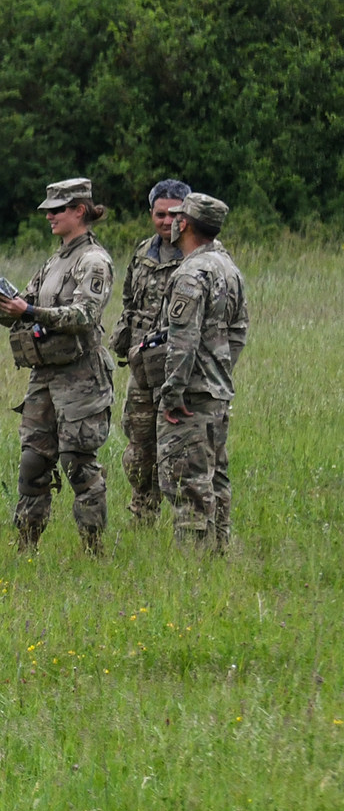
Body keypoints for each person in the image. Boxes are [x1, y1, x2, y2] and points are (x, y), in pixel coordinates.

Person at [0, 178, 117, 554]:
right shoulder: (55, 260)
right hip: (43, 375)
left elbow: (85, 314)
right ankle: (26, 549)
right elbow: (24, 303)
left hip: (80, 377)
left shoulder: (93, 261)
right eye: (47, 209)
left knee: (78, 462)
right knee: (33, 461)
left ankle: (94, 550)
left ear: (79, 210)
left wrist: (29, 311)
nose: (49, 215)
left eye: (57, 209)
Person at [154, 194, 248, 553]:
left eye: (177, 216)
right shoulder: (228, 267)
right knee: (215, 480)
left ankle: (193, 568)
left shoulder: (192, 273)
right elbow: (239, 330)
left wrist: (172, 393)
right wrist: (221, 369)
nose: (171, 222)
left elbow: (183, 340)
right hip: (217, 392)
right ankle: (219, 555)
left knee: (185, 482)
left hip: (191, 396)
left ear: (187, 225)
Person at [111, 180, 190, 526]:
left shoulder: (197, 255)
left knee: (180, 450)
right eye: (160, 214)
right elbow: (130, 301)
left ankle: (187, 522)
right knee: (138, 447)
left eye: (175, 214)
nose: (167, 221)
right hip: (143, 367)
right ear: (151, 214)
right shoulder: (144, 251)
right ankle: (142, 516)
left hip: (180, 367)